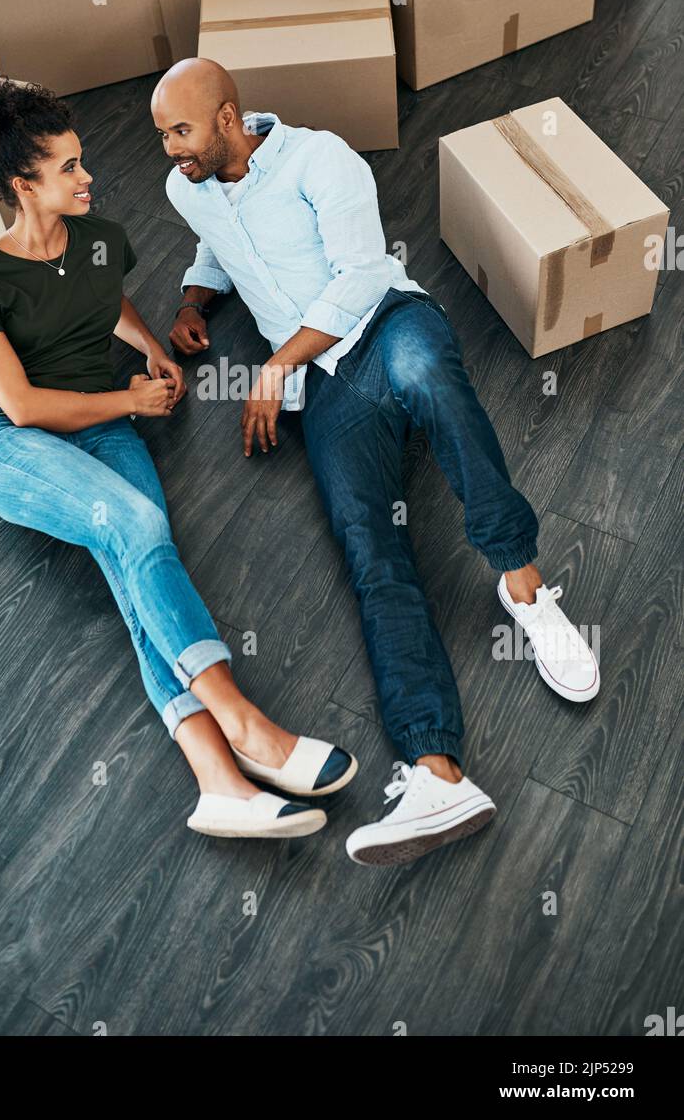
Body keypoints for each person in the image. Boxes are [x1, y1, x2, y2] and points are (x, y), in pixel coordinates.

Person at [151, 57, 601, 867]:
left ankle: (522, 586)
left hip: (385, 327)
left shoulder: (321, 160)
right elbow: (215, 241)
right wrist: (192, 303)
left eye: (178, 131)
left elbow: (361, 275)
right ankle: (437, 771)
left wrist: (276, 363)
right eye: (160, 136)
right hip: (327, 388)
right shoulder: (190, 185)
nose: (167, 150)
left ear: (226, 117)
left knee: (428, 375)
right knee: (369, 547)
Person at [0, 76, 358, 842]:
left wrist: (149, 351)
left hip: (104, 427)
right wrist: (130, 404)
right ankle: (245, 724)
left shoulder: (97, 236)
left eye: (81, 160)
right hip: (16, 445)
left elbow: (109, 299)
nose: (86, 176)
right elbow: (24, 406)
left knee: (138, 563)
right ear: (20, 185)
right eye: (66, 168)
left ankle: (220, 788)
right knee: (137, 525)